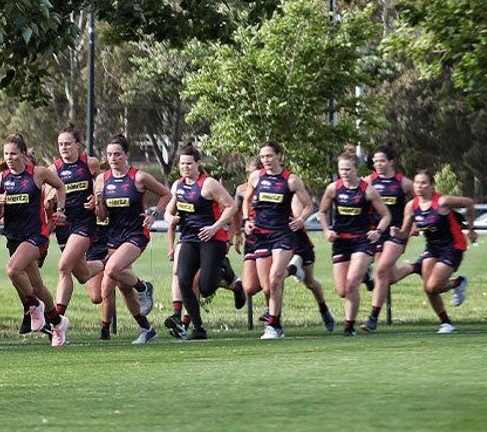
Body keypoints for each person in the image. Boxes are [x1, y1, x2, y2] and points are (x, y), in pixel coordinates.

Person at [0, 134, 71, 346]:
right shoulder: (0, 179)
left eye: (13, 153)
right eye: (6, 154)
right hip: (14, 236)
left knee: (12, 270)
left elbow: (60, 186)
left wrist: (61, 209)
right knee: (36, 284)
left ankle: (33, 305)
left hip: (36, 235)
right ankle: (57, 322)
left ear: (23, 154)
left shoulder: (37, 173)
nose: (9, 158)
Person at [92, 135, 171, 344]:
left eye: (117, 154)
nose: (113, 158)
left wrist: (154, 215)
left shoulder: (139, 177)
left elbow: (166, 195)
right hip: (114, 236)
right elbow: (102, 216)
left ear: (126, 154)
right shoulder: (102, 180)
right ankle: (146, 329)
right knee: (121, 286)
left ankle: (143, 288)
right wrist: (98, 201)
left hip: (136, 234)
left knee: (111, 270)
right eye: (109, 154)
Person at [240, 141, 315, 340]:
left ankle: (272, 326)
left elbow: (309, 205)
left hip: (282, 234)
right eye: (263, 156)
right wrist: (246, 220)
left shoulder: (291, 180)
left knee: (275, 277)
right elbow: (247, 200)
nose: (266, 160)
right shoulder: (256, 177)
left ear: (279, 156)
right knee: (267, 286)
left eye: (269, 156)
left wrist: (301, 219)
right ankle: (277, 324)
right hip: (260, 235)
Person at [163, 145, 237, 340]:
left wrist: (215, 226)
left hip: (211, 239)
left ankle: (223, 269)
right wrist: (170, 218)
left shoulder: (208, 184)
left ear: (198, 164)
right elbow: (169, 211)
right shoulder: (178, 185)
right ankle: (198, 328)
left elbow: (231, 206)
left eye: (189, 164)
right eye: (182, 164)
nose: (185, 167)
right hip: (189, 238)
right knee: (184, 280)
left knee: (206, 287)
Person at [316, 152, 392, 336]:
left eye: (348, 169)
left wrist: (378, 231)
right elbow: (322, 212)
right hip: (341, 241)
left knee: (351, 285)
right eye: (341, 169)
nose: (344, 173)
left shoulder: (368, 190)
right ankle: (365, 276)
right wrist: (326, 230)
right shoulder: (333, 189)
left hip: (362, 241)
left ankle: (349, 327)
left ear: (356, 169)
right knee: (342, 290)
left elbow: (386, 216)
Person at [397, 170, 476, 333]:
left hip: (453, 246)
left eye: (423, 183)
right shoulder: (411, 206)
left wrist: (471, 229)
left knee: (433, 286)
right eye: (416, 183)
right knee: (428, 288)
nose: (419, 186)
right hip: (432, 248)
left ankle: (458, 282)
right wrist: (397, 233)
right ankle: (446, 323)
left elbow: (469, 203)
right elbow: (404, 232)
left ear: (432, 186)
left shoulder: (442, 201)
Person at [49, 126, 105, 327]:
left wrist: (96, 197)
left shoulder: (89, 163)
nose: (64, 148)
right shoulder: (54, 169)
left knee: (64, 266)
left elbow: (102, 181)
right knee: (82, 274)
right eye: (60, 144)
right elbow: (48, 197)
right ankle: (107, 263)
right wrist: (50, 202)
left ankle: (57, 321)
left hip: (84, 224)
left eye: (68, 143)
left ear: (78, 145)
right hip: (64, 226)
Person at [361, 145, 415, 332]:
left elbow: (421, 201)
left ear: (391, 162)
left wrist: (413, 226)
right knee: (388, 277)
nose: (378, 164)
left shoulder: (404, 183)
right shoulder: (368, 181)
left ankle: (373, 318)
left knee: (381, 271)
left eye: (382, 161)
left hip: (395, 234)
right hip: (376, 233)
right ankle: (416, 267)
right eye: (375, 161)